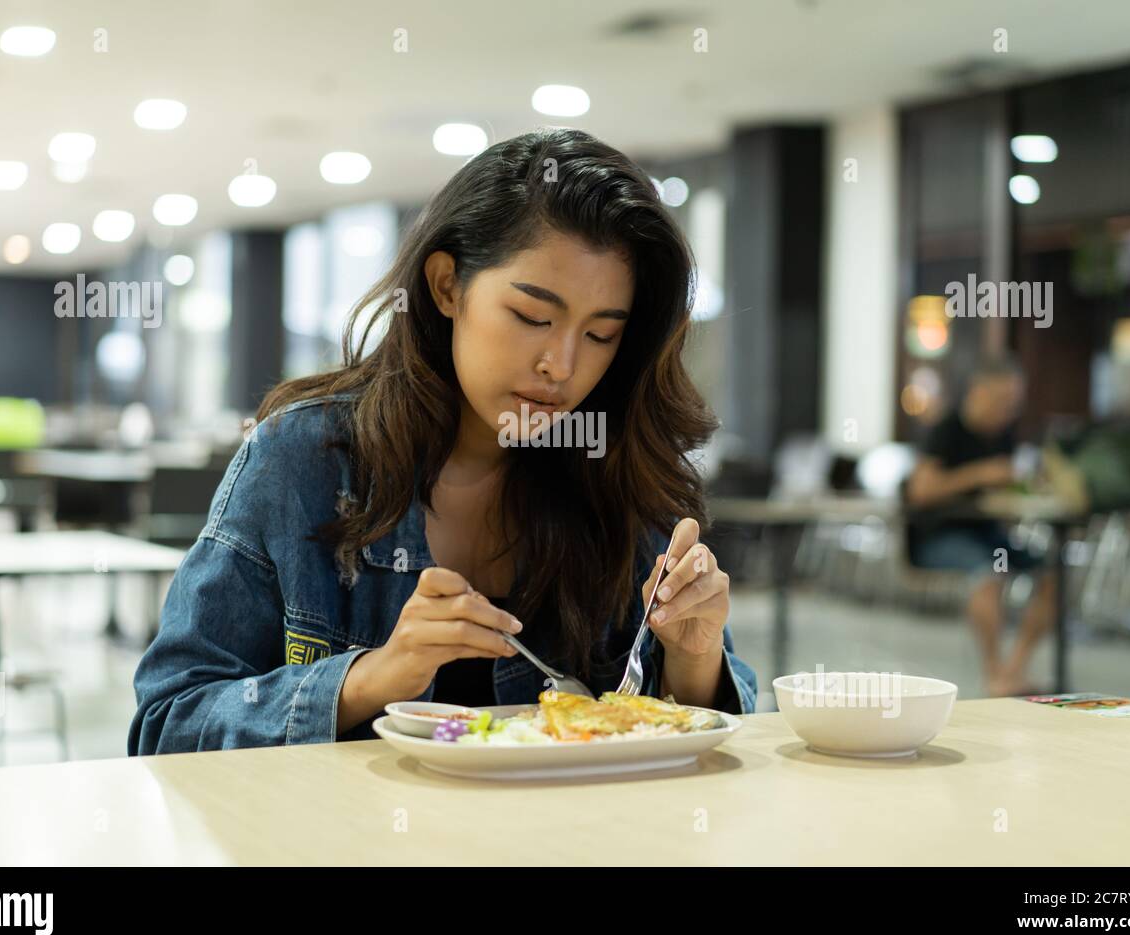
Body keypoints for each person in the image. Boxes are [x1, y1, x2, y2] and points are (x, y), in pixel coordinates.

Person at [128, 127, 758, 753]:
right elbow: (167, 725)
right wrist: (373, 677)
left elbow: (682, 733)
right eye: (533, 317)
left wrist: (693, 658)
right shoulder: (303, 460)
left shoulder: (617, 464)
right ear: (445, 286)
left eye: (600, 335)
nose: (561, 365)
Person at [905, 357, 1056, 697]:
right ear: (978, 393)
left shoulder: (1005, 435)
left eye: (1014, 403)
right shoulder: (946, 429)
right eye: (1003, 400)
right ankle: (994, 673)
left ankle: (1011, 671)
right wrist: (979, 474)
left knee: (1053, 574)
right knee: (988, 576)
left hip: (987, 534)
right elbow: (920, 490)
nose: (1009, 410)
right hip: (939, 535)